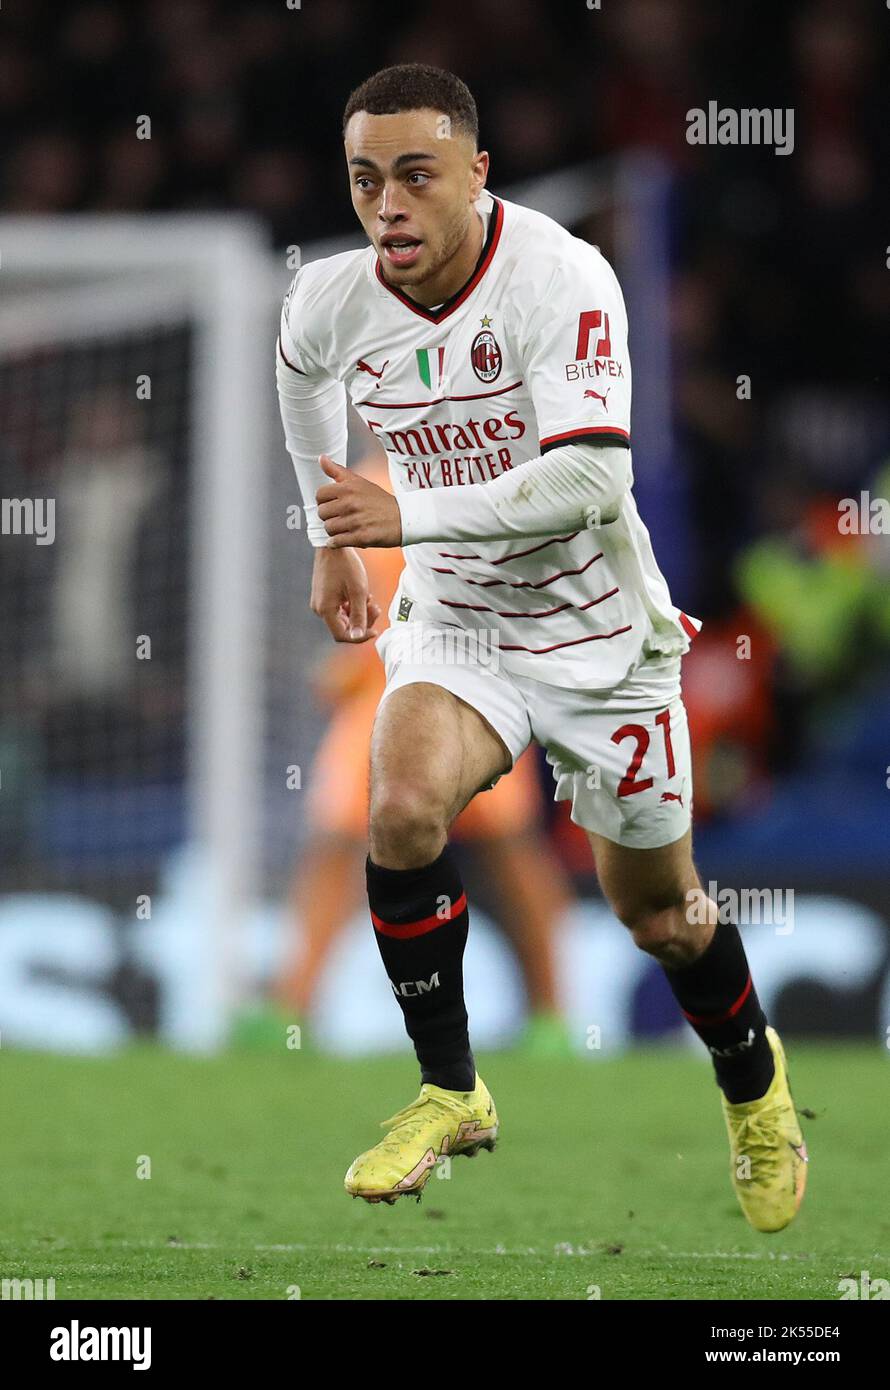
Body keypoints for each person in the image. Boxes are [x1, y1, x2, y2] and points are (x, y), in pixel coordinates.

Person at [276, 63, 807, 1231]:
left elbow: (587, 477)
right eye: (366, 182)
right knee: (401, 805)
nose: (388, 208)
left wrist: (400, 520)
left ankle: (751, 1084)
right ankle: (450, 1087)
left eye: (416, 176)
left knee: (659, 914)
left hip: (596, 636)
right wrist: (329, 539)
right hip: (457, 623)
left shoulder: (562, 278)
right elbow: (302, 380)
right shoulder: (326, 298)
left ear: (476, 172)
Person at [276, 450, 576, 1053]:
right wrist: (347, 662)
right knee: (339, 848)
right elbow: (364, 613)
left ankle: (553, 1016)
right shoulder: (363, 483)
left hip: (469, 685)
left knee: (510, 852)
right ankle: (288, 1008)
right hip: (379, 692)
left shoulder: (483, 482)